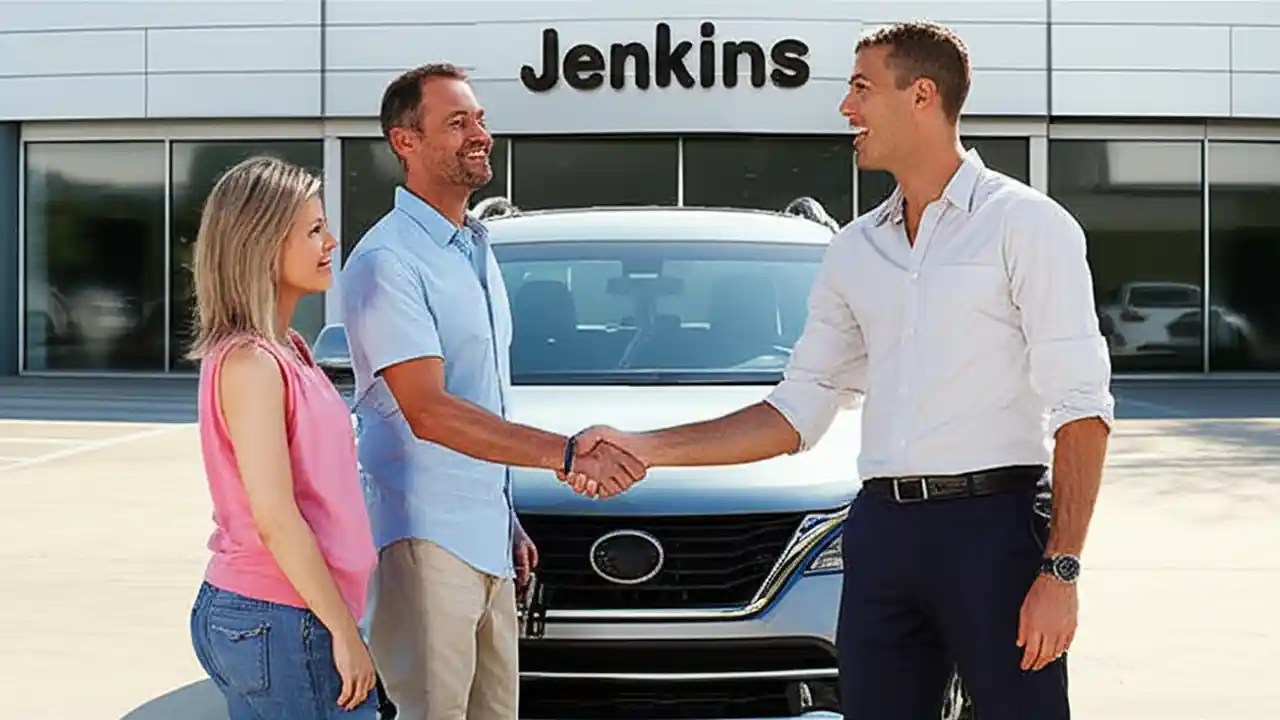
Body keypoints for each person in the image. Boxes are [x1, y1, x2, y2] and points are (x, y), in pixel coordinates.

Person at [565, 20, 1113, 720]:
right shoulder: (855, 249)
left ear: (922, 96)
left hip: (994, 530)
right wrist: (646, 447)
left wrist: (1059, 570)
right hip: (882, 533)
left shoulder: (1026, 226)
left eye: (861, 88)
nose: (846, 108)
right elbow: (795, 412)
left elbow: (1082, 407)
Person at [339, 63, 645, 720]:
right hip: (424, 540)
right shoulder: (388, 261)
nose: (480, 134)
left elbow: (484, 397)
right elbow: (429, 410)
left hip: (485, 539)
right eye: (457, 122)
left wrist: (505, 515)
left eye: (479, 119)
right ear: (405, 142)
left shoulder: (476, 248)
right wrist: (566, 454)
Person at [186, 155, 380, 719]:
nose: (332, 242)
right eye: (314, 229)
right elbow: (274, 514)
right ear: (263, 242)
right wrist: (343, 631)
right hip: (285, 616)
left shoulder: (291, 349)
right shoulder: (251, 363)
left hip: (284, 615)